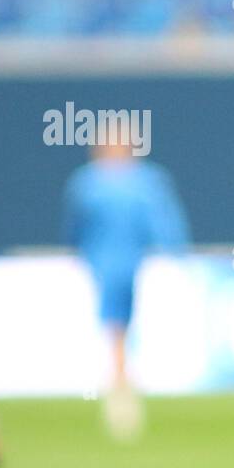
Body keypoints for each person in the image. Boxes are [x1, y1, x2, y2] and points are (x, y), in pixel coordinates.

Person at [64, 134, 189, 440]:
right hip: (117, 265)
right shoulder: (141, 181)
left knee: (118, 329)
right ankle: (122, 394)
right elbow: (167, 227)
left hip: (123, 265)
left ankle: (122, 392)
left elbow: (73, 230)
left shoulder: (91, 182)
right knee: (118, 329)